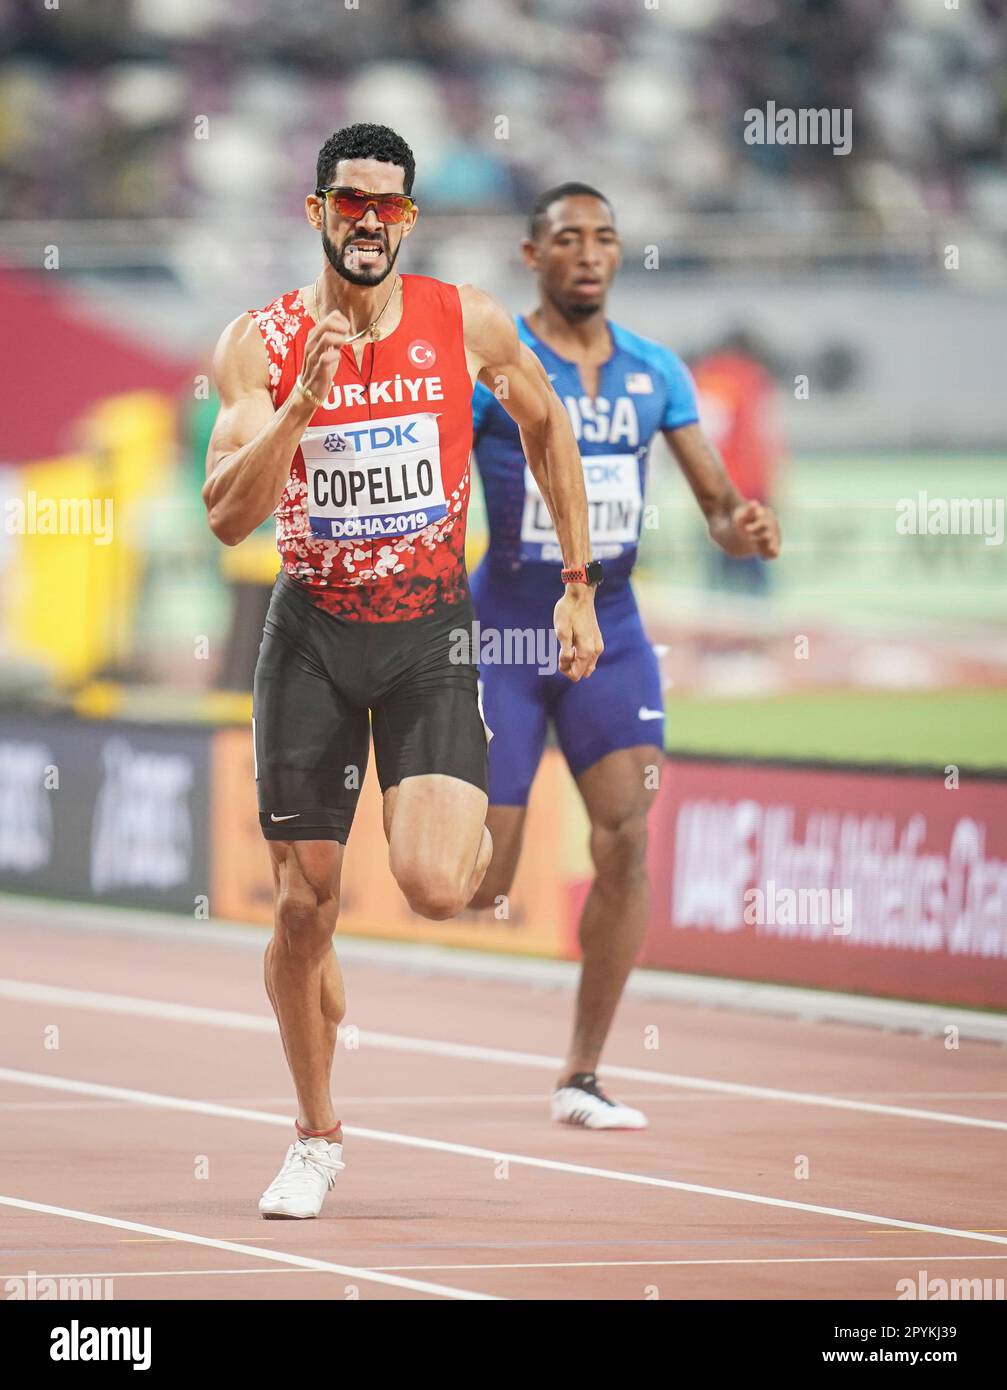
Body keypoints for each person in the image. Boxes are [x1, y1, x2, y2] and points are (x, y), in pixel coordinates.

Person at [202, 128, 602, 1218]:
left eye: (390, 207)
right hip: (312, 637)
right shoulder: (258, 340)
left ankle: (482, 794)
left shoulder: (462, 319)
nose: (369, 222)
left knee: (434, 886)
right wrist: (297, 406)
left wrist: (576, 581)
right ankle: (316, 1136)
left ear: (408, 220)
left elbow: (549, 421)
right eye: (351, 203)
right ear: (317, 210)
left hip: (427, 632)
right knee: (301, 906)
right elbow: (229, 516)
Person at [468, 183, 781, 1129]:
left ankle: (581, 1073)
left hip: (610, 633)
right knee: (480, 878)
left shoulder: (656, 373)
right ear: (533, 257)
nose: (590, 254)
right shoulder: (494, 364)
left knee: (626, 837)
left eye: (605, 238)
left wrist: (743, 526)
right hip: (511, 631)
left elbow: (718, 508)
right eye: (568, 239)